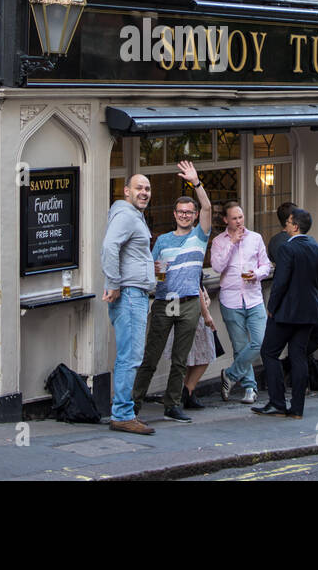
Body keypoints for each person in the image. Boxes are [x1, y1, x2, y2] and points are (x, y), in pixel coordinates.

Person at [132, 161, 211, 424]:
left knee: (180, 359)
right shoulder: (163, 240)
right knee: (151, 356)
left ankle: (172, 404)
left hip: (188, 302)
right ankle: (133, 405)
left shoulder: (200, 237)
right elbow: (150, 273)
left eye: (189, 212)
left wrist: (196, 182)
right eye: (180, 212)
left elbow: (209, 206)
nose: (184, 215)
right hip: (165, 301)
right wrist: (154, 270)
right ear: (174, 214)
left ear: (196, 215)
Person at [254, 207, 318, 419]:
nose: (285, 227)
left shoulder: (287, 249)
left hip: (286, 312)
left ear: (295, 226)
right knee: (298, 356)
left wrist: (271, 307)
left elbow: (280, 282)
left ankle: (277, 403)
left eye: (287, 223)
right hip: (309, 311)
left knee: (269, 352)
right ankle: (297, 408)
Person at [101, 174, 156, 435]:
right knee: (130, 356)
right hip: (130, 294)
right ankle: (122, 414)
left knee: (130, 355)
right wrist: (113, 283)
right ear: (126, 191)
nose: (144, 192)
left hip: (135, 293)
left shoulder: (134, 215)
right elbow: (109, 246)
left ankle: (124, 411)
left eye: (147, 188)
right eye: (138, 188)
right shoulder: (125, 215)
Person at [210, 200, 272, 404]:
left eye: (241, 217)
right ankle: (250, 389)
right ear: (226, 220)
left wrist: (257, 274)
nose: (238, 221)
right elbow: (218, 267)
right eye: (234, 218)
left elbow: (266, 265)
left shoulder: (255, 238)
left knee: (259, 342)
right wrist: (232, 243)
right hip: (231, 299)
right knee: (240, 346)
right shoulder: (219, 241)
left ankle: (230, 375)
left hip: (254, 298)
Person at [174, 284, 217, 410]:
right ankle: (188, 390)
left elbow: (199, 285)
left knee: (191, 356)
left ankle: (187, 392)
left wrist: (205, 297)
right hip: (191, 310)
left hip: (184, 308)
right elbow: (195, 287)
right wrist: (206, 313)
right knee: (204, 354)